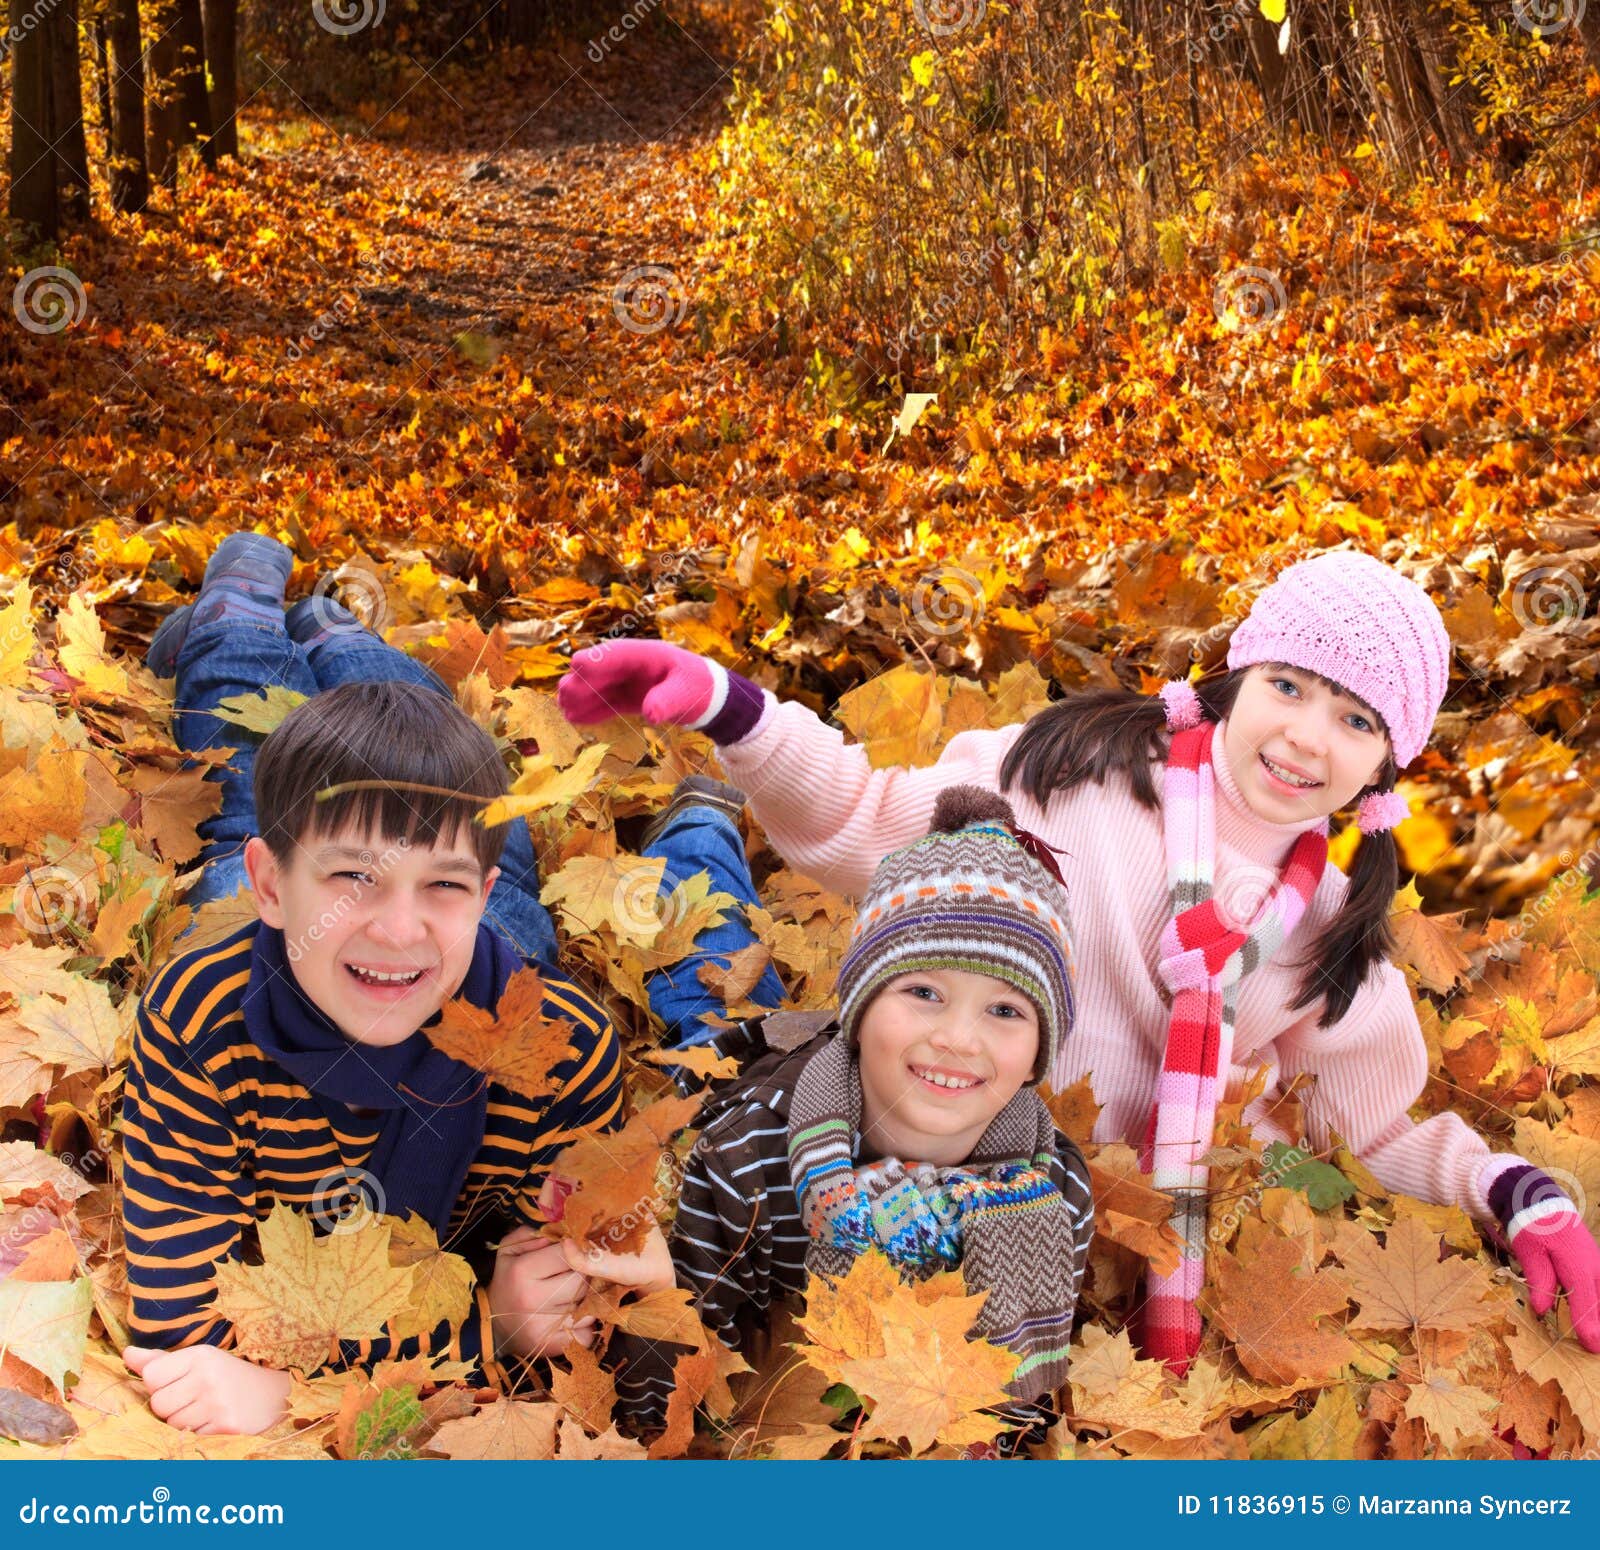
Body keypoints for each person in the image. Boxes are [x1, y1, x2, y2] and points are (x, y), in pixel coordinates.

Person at [558, 548, 1600, 1371]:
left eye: (1355, 718)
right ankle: (701, 823)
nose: (1304, 737)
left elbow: (1365, 1129)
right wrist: (727, 708)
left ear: (1386, 761)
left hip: (1049, 1222)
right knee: (709, 993)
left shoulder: (1325, 934)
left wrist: (1511, 1187)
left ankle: (698, 833)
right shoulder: (1076, 782)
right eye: (1286, 685)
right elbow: (862, 814)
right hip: (912, 1091)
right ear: (1236, 676)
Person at [120, 534, 634, 1435]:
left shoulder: (564, 1052)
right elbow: (179, 1325)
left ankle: (332, 630)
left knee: (424, 757)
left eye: (441, 885)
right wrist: (486, 1336)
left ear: (468, 889)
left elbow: (588, 1309)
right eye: (354, 876)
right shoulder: (202, 1021)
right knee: (247, 762)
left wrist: (291, 1379)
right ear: (273, 885)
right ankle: (244, 589)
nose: (396, 925)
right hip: (297, 955)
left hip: (488, 951)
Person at [597, 783, 1094, 1437]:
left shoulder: (1050, 1186)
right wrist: (663, 1300)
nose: (959, 1039)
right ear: (859, 1016)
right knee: (706, 971)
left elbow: (1013, 1411)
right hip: (756, 1084)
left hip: (825, 1061)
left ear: (1038, 1054)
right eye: (924, 991)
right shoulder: (747, 1162)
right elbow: (666, 1392)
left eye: (1005, 1010)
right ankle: (700, 827)